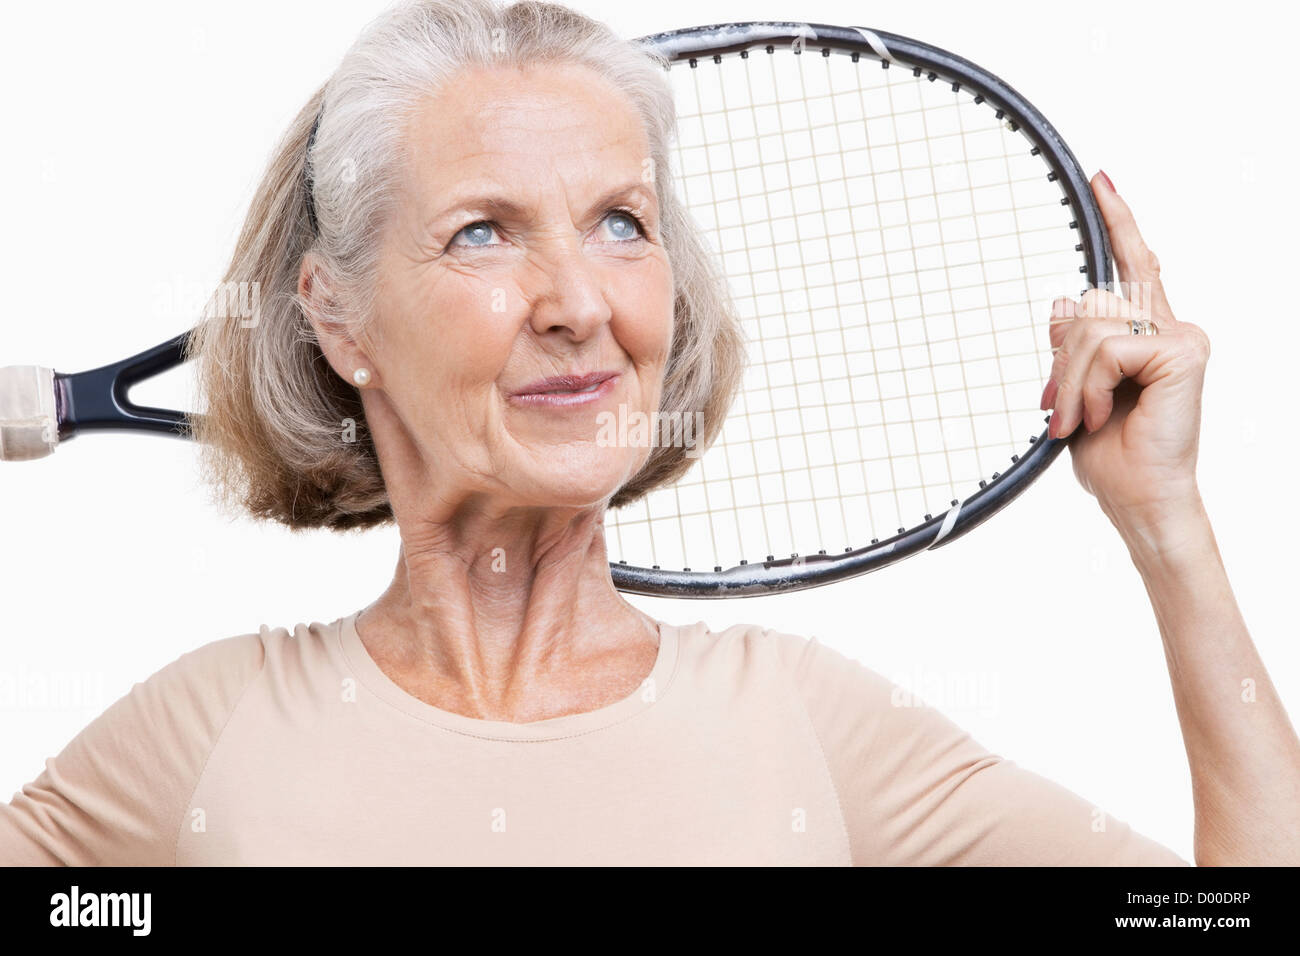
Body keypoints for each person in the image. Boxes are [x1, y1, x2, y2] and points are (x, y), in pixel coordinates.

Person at [2, 0, 1296, 865]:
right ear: (340, 322)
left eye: (622, 222)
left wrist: (1166, 526)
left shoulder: (807, 728)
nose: (579, 305)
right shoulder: (202, 738)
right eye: (483, 232)